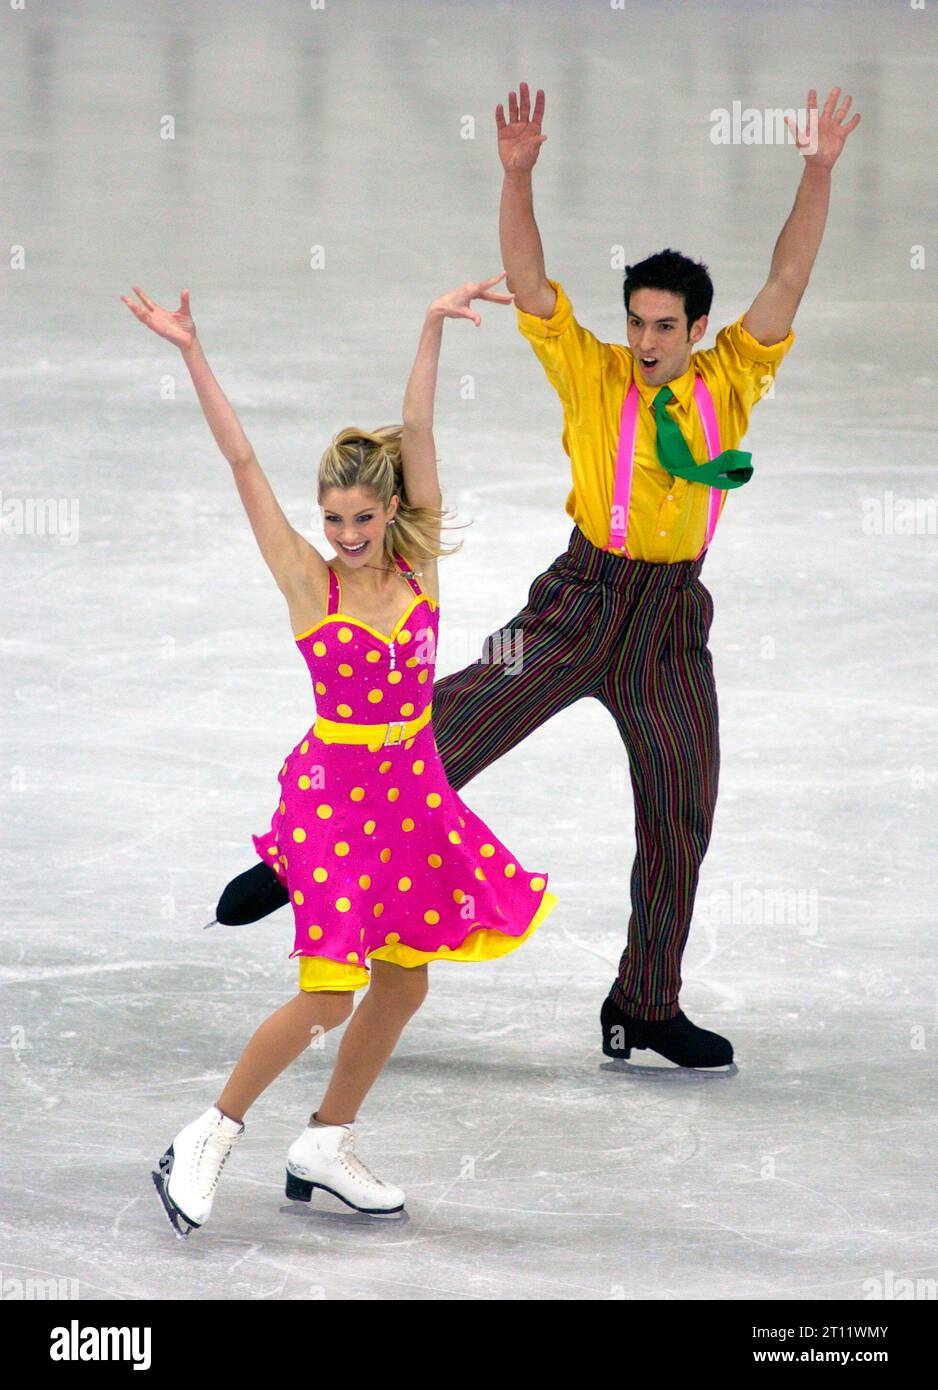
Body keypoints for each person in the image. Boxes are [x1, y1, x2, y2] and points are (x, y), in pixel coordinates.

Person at [212, 81, 860, 1070]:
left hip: (668, 619)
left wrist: (814, 173)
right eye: (635, 321)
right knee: (448, 719)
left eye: (661, 326)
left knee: (683, 804)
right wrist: (516, 179)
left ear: (695, 329)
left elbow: (785, 279)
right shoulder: (590, 370)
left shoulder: (735, 374)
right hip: (577, 596)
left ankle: (643, 1004)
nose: (643, 341)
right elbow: (527, 276)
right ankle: (302, 857)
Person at [121, 273, 558, 1235]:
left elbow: (422, 432)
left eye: (363, 518)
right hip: (334, 800)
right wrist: (193, 352)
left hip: (414, 794)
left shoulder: (418, 563)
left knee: (407, 977)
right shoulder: (307, 583)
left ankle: (324, 1142)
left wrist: (429, 326)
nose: (349, 536)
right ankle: (207, 1134)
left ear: (389, 511)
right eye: (334, 520)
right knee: (329, 991)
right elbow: (241, 463)